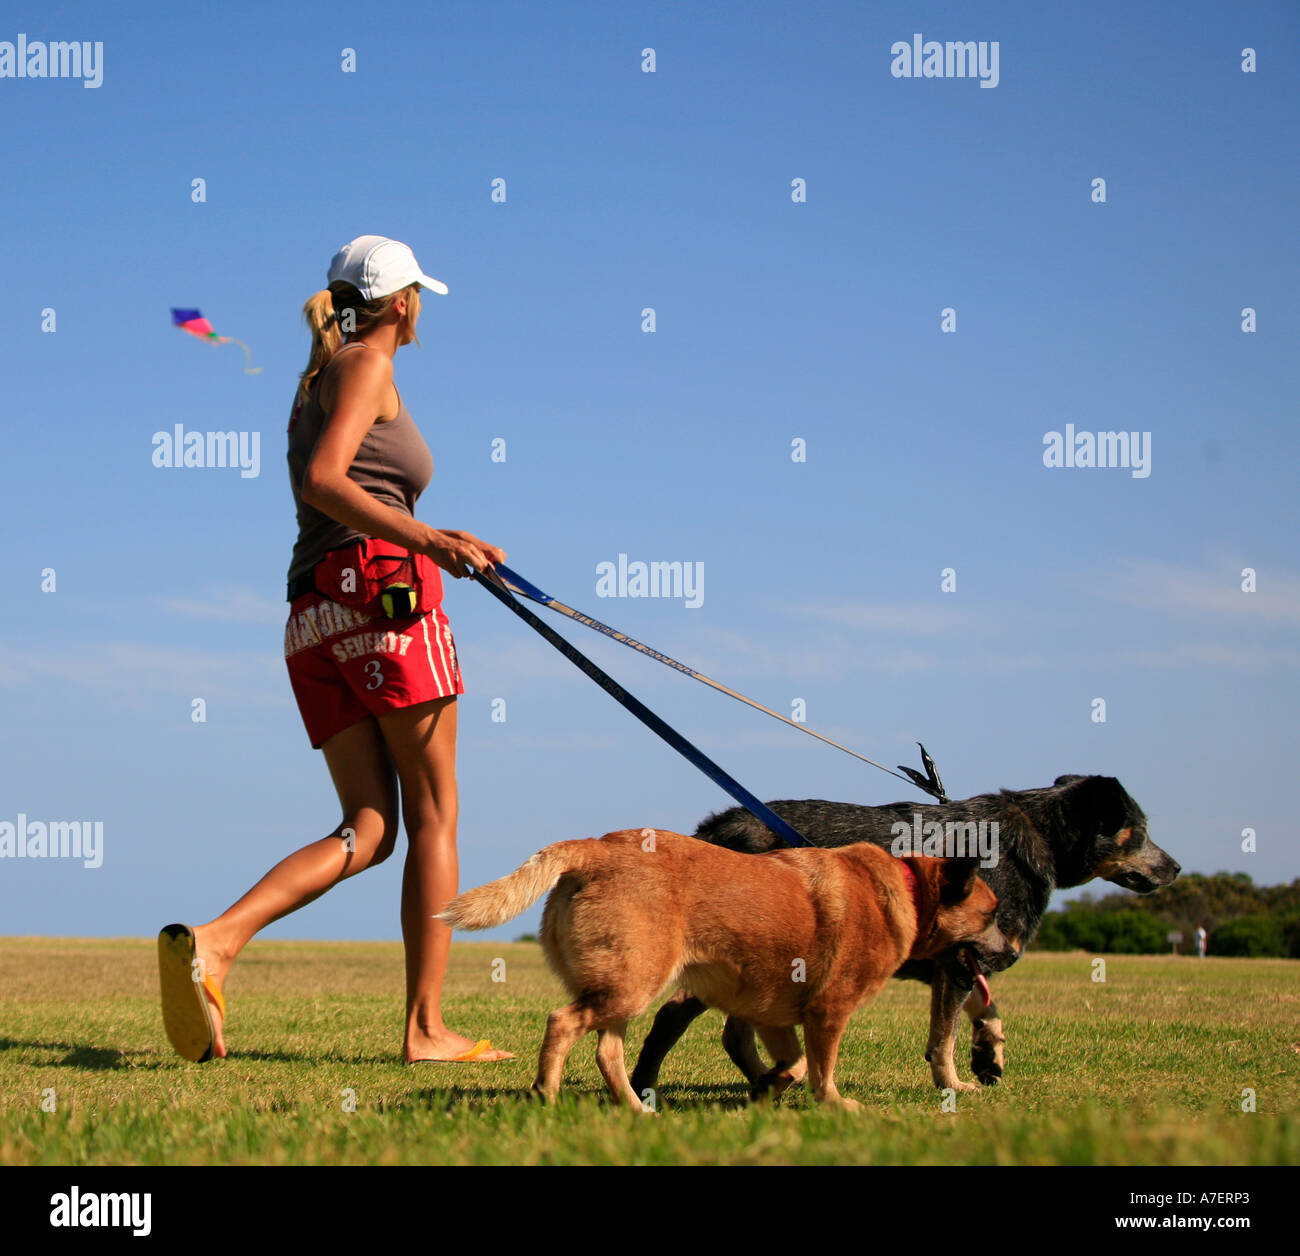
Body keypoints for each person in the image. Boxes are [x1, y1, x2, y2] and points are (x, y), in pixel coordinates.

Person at [158, 235, 513, 1064]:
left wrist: (437, 533)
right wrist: (424, 538)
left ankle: (217, 941)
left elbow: (346, 492)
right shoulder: (365, 366)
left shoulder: (317, 374)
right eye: (419, 294)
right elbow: (325, 481)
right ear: (402, 303)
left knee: (371, 825)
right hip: (383, 600)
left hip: (315, 615)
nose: (421, 307)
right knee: (433, 816)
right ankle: (425, 1030)